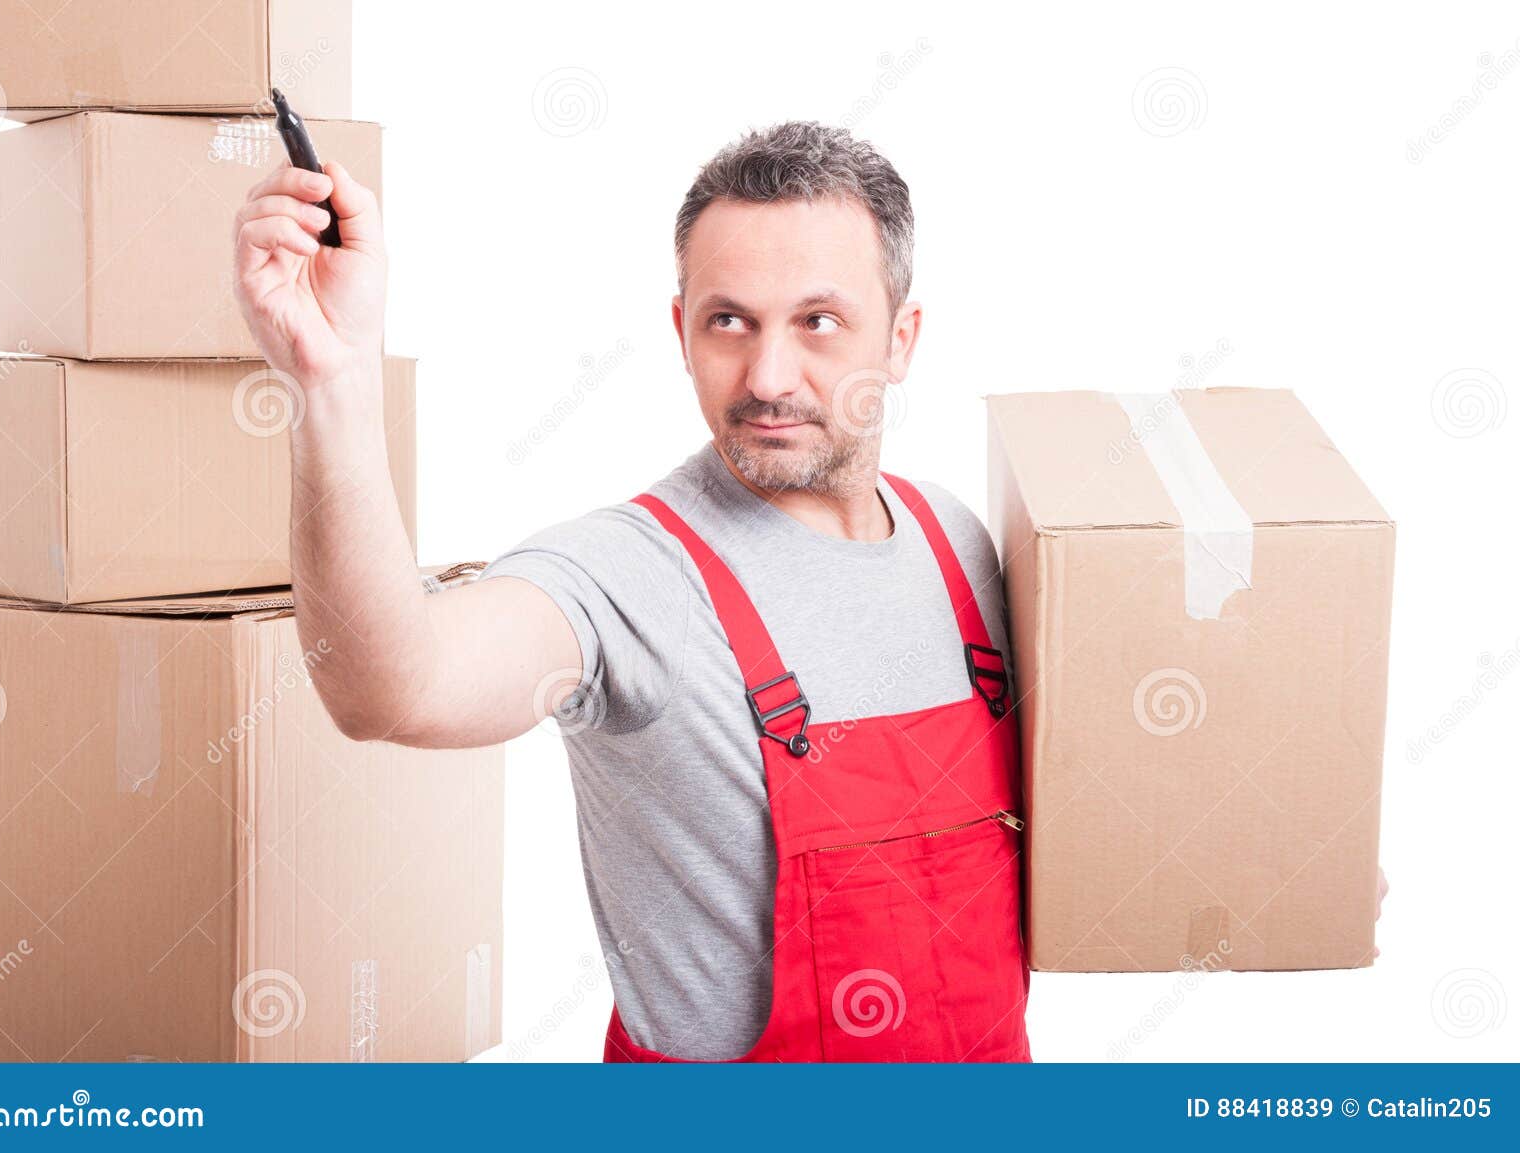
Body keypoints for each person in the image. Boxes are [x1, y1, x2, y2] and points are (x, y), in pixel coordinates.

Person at [231, 121, 1382, 1063]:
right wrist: (331, 384)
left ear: (903, 338)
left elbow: (1102, 799)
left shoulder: (968, 548)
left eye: (818, 323)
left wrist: (1273, 850)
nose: (768, 376)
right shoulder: (628, 574)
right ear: (680, 332)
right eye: (727, 322)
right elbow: (392, 686)